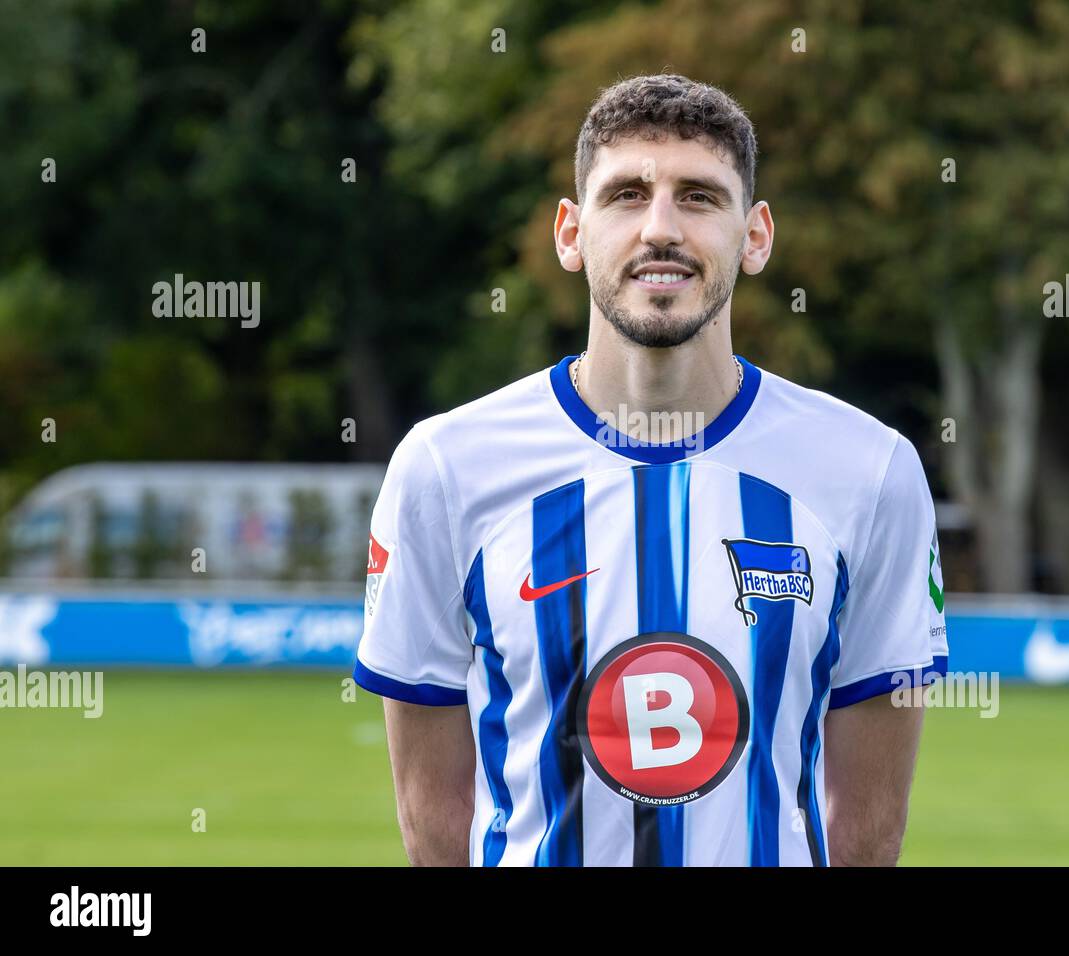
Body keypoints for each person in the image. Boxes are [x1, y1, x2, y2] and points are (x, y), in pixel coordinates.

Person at [354, 73, 948, 866]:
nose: (659, 229)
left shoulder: (871, 471)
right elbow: (433, 815)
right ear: (570, 232)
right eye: (627, 195)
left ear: (756, 235)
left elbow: (869, 826)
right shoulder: (444, 467)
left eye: (699, 197)